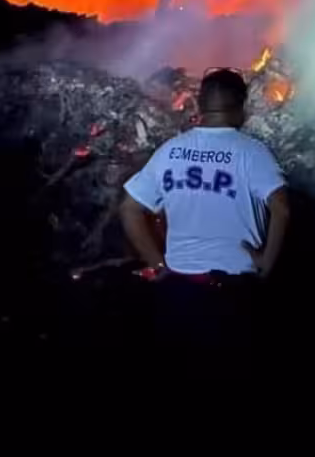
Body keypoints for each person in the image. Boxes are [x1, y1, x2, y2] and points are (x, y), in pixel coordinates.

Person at [120, 68, 290, 371]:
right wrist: (267, 262)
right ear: (242, 105)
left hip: (178, 293)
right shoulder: (251, 153)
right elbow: (282, 208)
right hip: (234, 295)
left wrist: (158, 264)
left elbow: (129, 208)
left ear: (200, 105)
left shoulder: (170, 151)